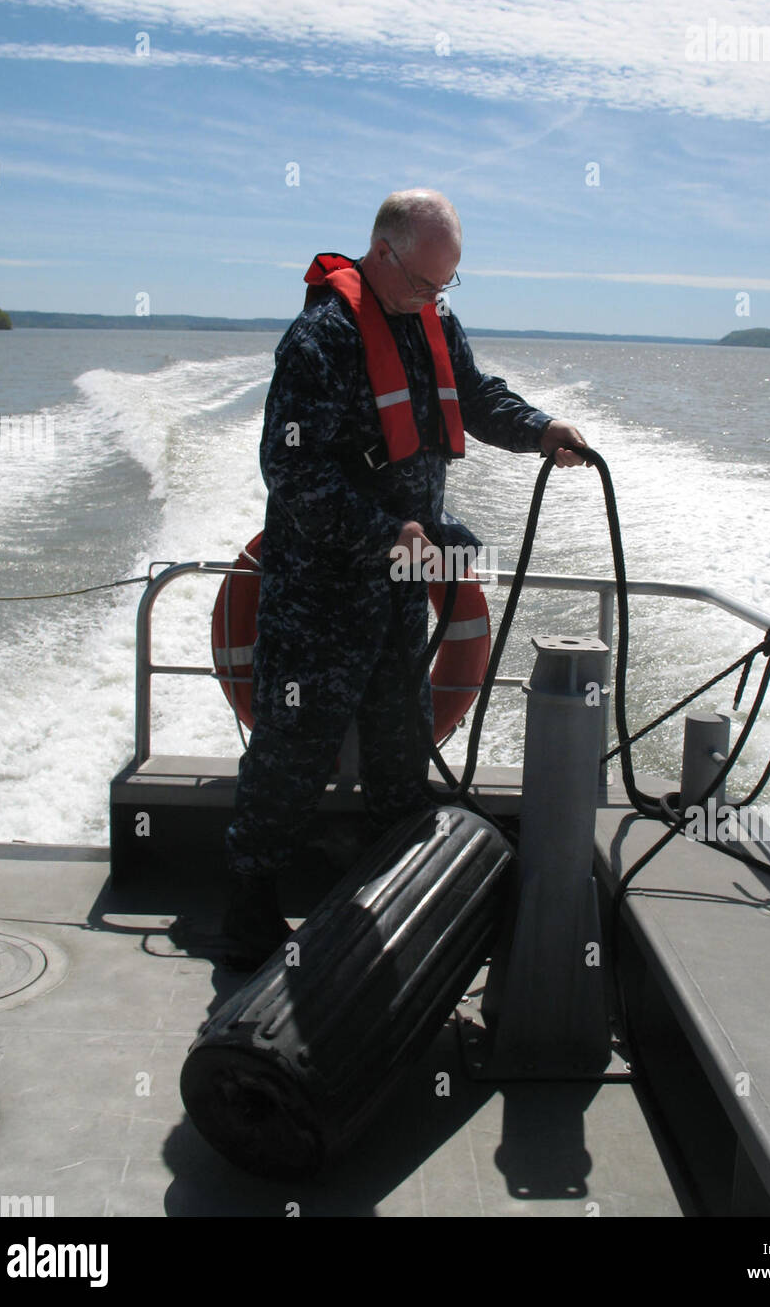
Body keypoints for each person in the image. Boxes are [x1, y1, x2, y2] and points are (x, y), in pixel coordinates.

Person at [222, 188, 589, 967]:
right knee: (294, 747)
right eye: (427, 282)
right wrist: (386, 531)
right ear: (382, 253)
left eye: (447, 284)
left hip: (400, 589)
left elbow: (477, 396)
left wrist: (538, 430)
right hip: (319, 592)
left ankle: (396, 893)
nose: (437, 297)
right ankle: (248, 908)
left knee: (399, 743)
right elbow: (288, 468)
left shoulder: (431, 321)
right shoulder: (318, 339)